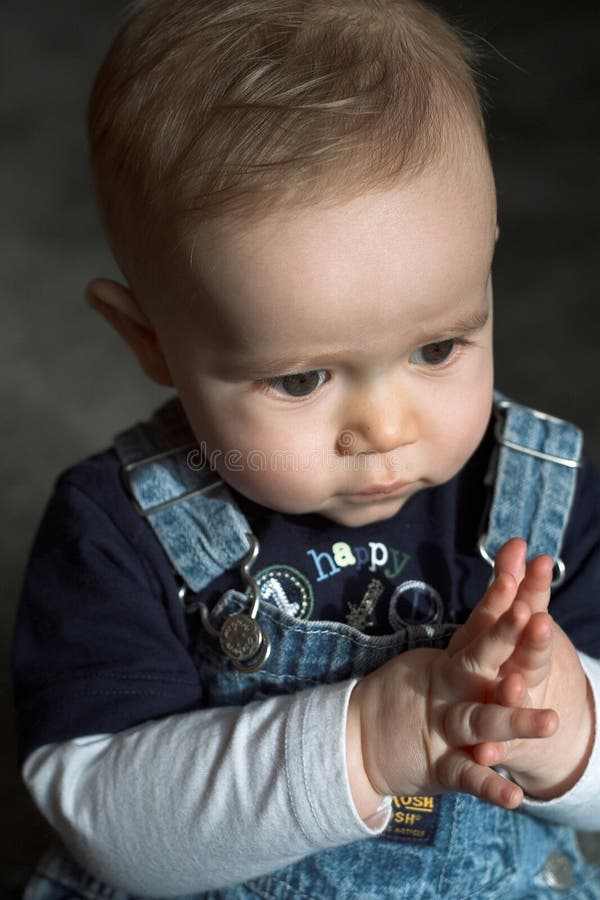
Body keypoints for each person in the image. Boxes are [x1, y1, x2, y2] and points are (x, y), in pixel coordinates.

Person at [13, 0, 600, 897]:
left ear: (485, 265)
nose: (386, 431)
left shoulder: (548, 503)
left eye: (437, 349)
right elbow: (113, 831)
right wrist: (369, 739)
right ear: (152, 341)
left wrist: (564, 723)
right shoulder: (116, 531)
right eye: (299, 380)